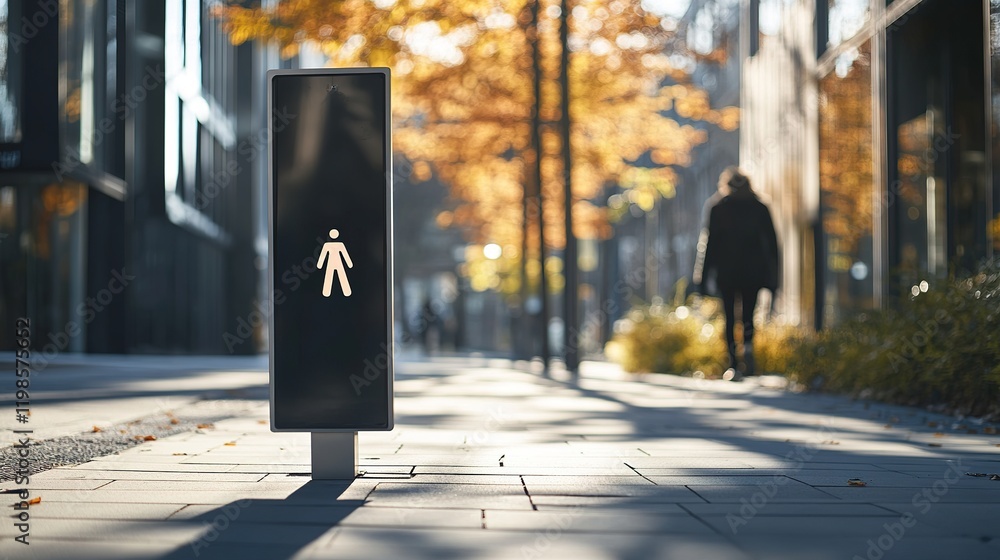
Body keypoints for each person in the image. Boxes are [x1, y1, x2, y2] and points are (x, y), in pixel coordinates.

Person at [693, 167, 779, 381]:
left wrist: (702, 280)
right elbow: (773, 245)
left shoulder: (719, 207)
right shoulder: (760, 208)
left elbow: (709, 245)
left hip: (727, 273)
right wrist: (774, 277)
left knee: (730, 317)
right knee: (749, 315)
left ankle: (733, 363)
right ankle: (748, 350)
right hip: (754, 272)